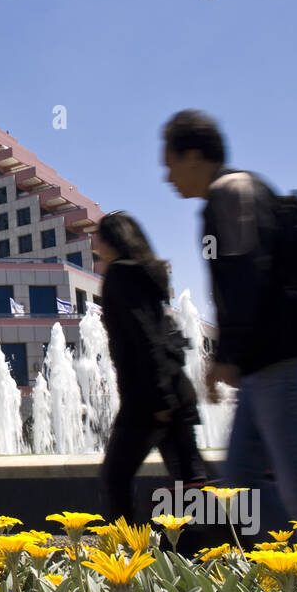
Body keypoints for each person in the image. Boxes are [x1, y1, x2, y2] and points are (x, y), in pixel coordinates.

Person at [161, 109, 297, 564]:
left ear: (194, 155)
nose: (166, 176)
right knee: (242, 484)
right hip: (271, 368)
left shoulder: (229, 193)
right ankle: (294, 570)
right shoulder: (239, 192)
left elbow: (247, 275)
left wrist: (228, 353)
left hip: (290, 364)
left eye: (170, 162)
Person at [93, 212, 210, 527]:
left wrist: (160, 401)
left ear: (113, 240)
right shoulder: (144, 275)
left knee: (115, 478)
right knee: (193, 481)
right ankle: (212, 554)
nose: (94, 242)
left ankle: (130, 556)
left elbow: (144, 339)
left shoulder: (119, 276)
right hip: (173, 390)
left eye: (98, 236)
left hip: (149, 401)